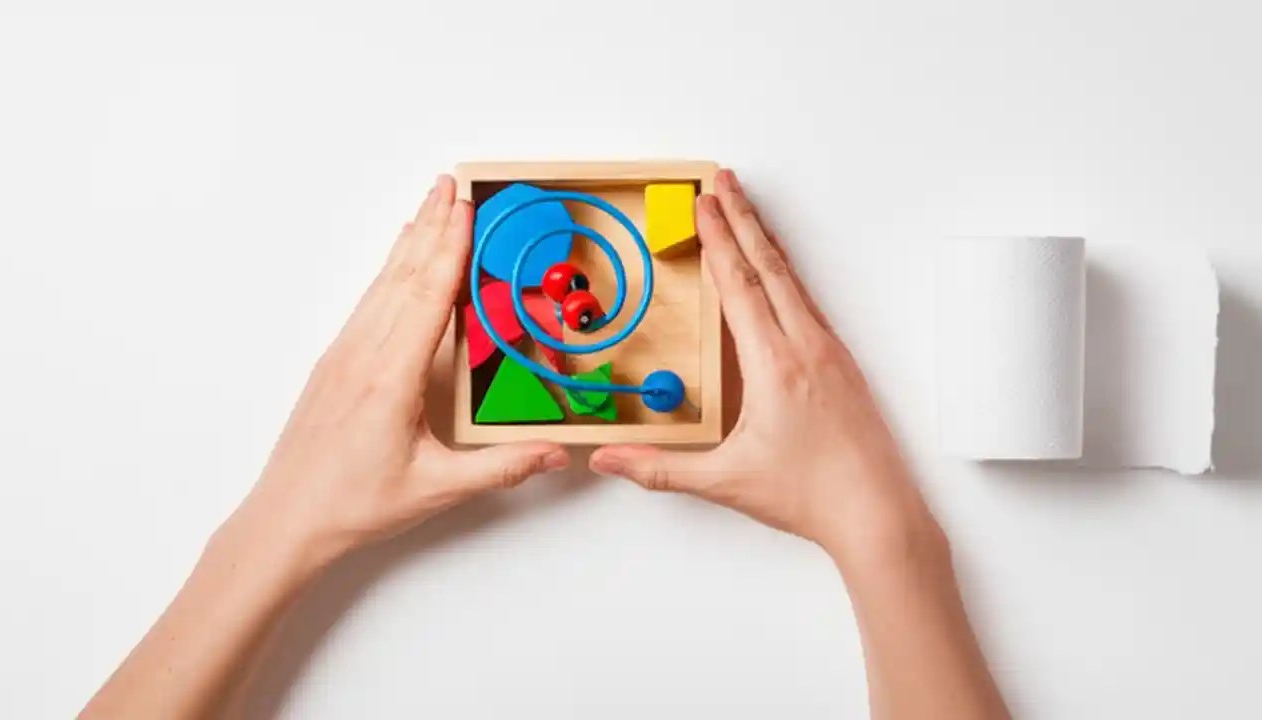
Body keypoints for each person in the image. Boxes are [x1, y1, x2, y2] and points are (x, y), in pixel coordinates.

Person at [79, 170, 1010, 719]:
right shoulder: (522, 316)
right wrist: (889, 540)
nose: (573, 299)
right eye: (560, 289)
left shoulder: (577, 304)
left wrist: (273, 530)